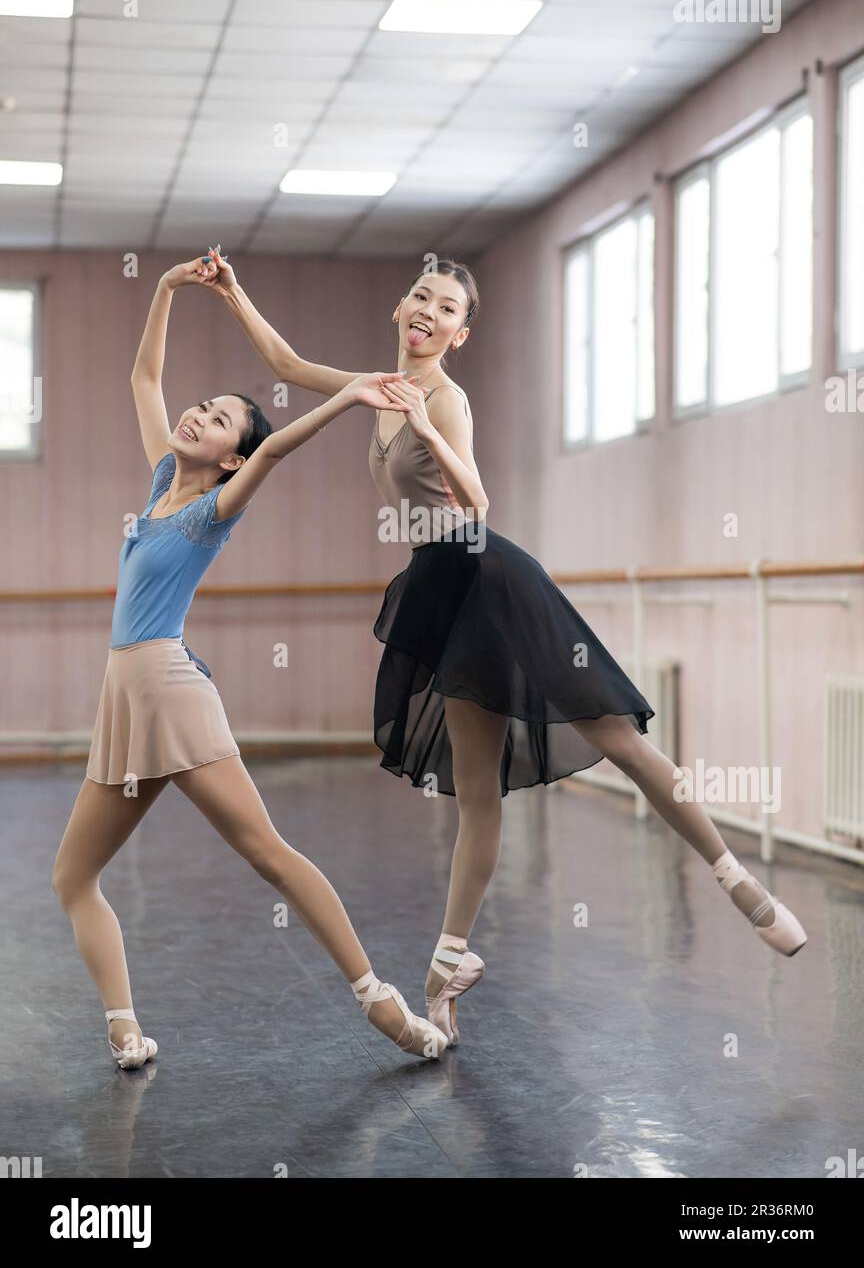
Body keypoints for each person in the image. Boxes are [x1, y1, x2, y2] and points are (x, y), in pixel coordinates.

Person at [199, 246, 808, 1050]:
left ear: (459, 334)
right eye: (420, 294)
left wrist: (426, 425)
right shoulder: (374, 389)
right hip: (437, 588)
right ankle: (447, 969)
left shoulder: (445, 400)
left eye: (447, 307)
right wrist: (233, 288)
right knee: (475, 795)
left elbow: (479, 497)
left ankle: (741, 886)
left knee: (618, 738)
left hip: (491, 577)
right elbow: (281, 360)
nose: (429, 309)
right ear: (399, 311)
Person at [52, 256, 449, 1070]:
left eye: (220, 419)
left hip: (170, 693)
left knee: (270, 855)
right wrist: (163, 290)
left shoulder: (211, 509)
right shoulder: (165, 475)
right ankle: (124, 1025)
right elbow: (143, 377)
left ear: (232, 457)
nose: (196, 416)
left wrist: (341, 399)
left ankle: (383, 1003)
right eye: (200, 407)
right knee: (73, 877)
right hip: (124, 704)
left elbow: (274, 456)